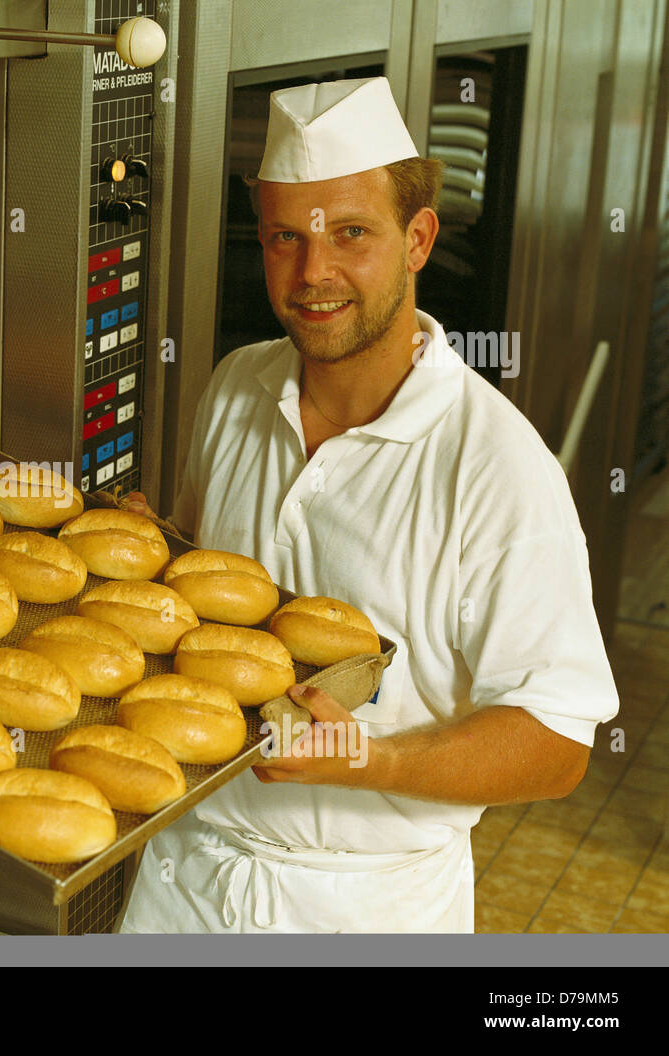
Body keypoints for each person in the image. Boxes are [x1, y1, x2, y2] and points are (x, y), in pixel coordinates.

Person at [117, 77, 620, 933]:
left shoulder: (495, 466)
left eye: (352, 233)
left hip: (361, 906)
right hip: (184, 877)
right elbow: (212, 591)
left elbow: (556, 744)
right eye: (285, 238)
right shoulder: (238, 385)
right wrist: (149, 551)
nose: (315, 274)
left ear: (418, 237)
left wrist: (370, 759)